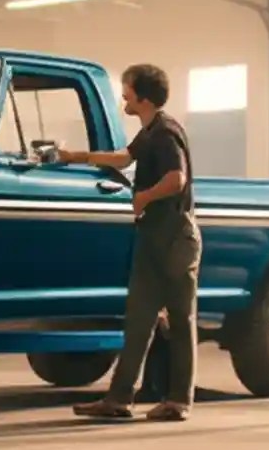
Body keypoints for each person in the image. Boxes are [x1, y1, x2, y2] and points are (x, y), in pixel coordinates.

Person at [56, 64, 201, 422]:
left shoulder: (166, 132)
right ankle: (120, 399)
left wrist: (144, 197)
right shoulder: (149, 131)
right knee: (139, 319)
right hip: (152, 234)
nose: (123, 95)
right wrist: (76, 157)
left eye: (127, 90)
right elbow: (124, 157)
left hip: (173, 235)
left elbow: (176, 179)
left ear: (143, 96)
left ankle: (179, 401)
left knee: (181, 321)